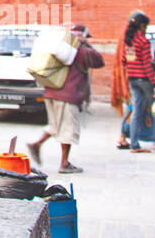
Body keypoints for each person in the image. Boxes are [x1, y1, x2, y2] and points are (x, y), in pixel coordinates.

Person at [27, 25, 105, 173]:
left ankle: (36, 144)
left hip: (51, 91)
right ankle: (64, 164)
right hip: (67, 95)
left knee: (56, 126)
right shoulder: (80, 51)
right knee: (68, 131)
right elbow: (99, 60)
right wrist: (85, 43)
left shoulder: (63, 48)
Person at [113, 11, 154, 152]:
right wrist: (153, 82)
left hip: (133, 79)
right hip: (144, 80)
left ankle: (134, 144)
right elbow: (147, 65)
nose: (146, 30)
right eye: (145, 27)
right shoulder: (143, 42)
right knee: (150, 109)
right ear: (141, 26)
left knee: (136, 111)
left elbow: (125, 61)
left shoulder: (129, 41)